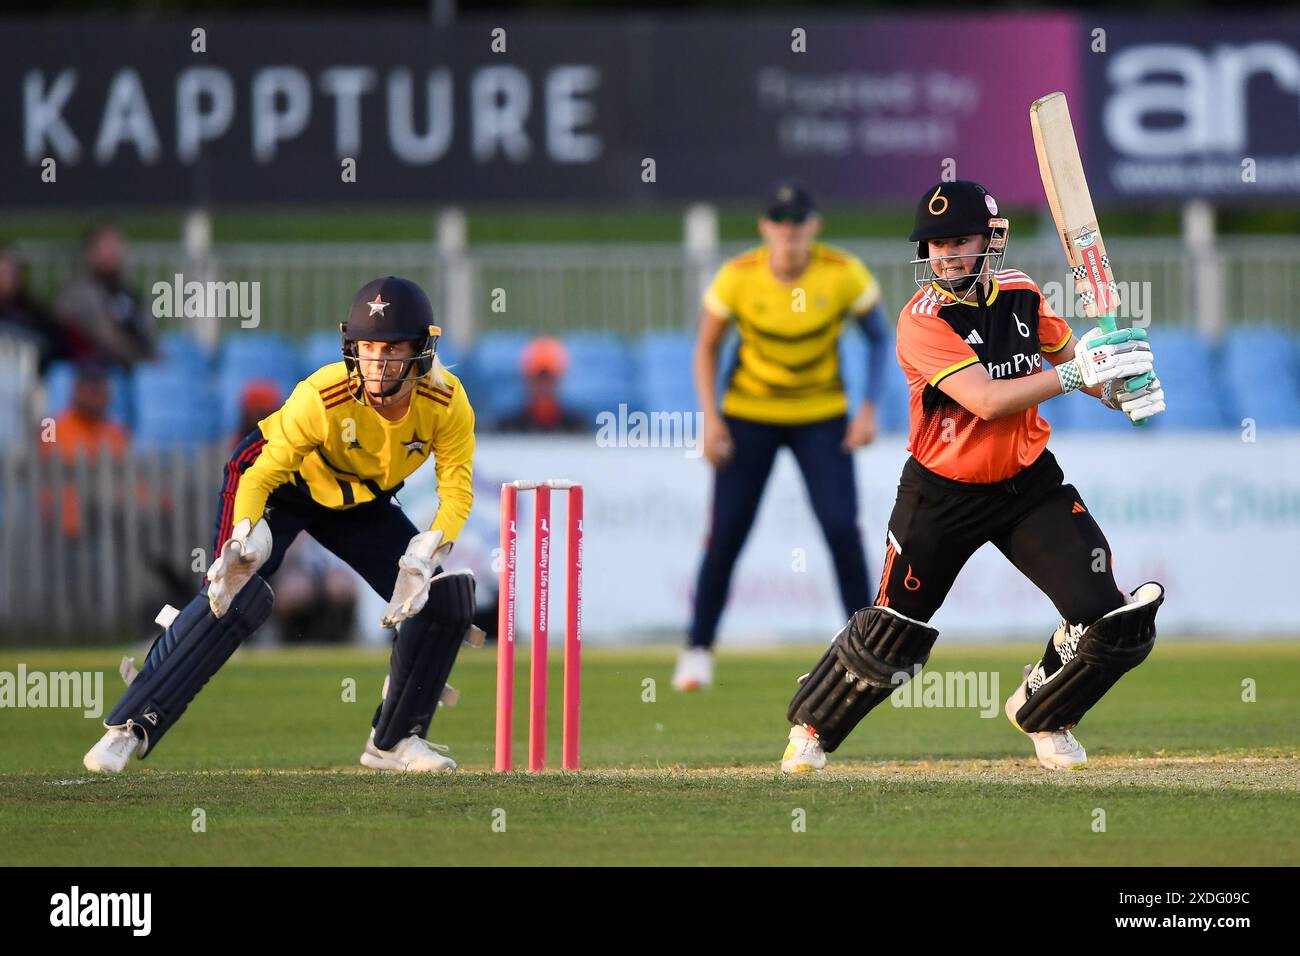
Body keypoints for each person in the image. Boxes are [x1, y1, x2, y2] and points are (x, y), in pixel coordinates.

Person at [781, 180, 1167, 774]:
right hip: (941, 493)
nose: (945, 255)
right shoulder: (922, 320)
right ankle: (814, 726)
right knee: (894, 634)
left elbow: (1077, 370)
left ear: (990, 241)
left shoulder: (1023, 293)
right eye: (935, 244)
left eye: (959, 240)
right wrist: (1077, 375)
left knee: (1106, 614)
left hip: (1028, 485)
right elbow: (986, 400)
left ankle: (1044, 709)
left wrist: (1119, 385)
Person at [84, 277, 478, 774]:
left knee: (442, 601)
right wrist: (241, 538)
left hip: (359, 498)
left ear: (422, 350)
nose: (378, 363)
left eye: (393, 349)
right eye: (369, 347)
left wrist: (428, 552)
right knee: (233, 592)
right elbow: (263, 472)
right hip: (279, 483)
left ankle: (395, 741)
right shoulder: (324, 394)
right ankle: (128, 726)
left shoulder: (446, 402)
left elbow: (457, 491)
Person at [677, 180, 890, 690]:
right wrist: (711, 418)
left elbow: (881, 339)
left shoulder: (843, 273)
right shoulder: (737, 277)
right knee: (726, 531)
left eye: (798, 222)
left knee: (842, 528)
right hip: (749, 414)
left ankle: (867, 653)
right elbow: (705, 348)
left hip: (822, 415)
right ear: (765, 227)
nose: (789, 233)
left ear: (813, 226)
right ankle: (697, 651)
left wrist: (868, 410)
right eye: (780, 222)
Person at [55, 224, 158, 371]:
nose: (113, 254)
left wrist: (153, 353)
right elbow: (105, 336)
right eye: (106, 248)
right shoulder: (78, 293)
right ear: (91, 253)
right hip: (96, 371)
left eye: (116, 247)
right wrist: (142, 359)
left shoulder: (128, 292)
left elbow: (147, 327)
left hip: (135, 365)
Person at [0, 244, 71, 374]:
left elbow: (57, 345)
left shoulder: (34, 310)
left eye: (10, 272)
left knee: (63, 372)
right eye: (2, 273)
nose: (6, 279)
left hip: (31, 377)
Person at [497, 337, 588, 433]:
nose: (543, 386)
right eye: (538, 379)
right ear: (527, 381)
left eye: (549, 379)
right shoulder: (508, 428)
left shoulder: (577, 427)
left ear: (559, 381)